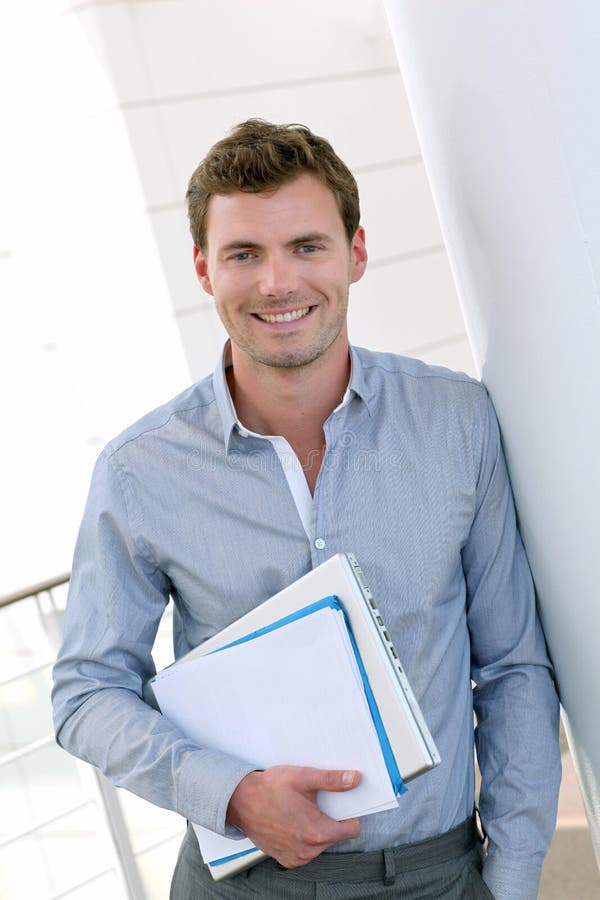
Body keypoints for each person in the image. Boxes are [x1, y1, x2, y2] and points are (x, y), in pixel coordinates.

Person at [52, 119, 561, 899]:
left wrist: (516, 877)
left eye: (308, 247)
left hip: (438, 877)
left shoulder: (458, 421)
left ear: (356, 253)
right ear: (203, 270)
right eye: (244, 254)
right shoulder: (138, 470)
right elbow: (86, 690)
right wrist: (230, 794)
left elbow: (513, 664)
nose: (277, 283)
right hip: (242, 883)